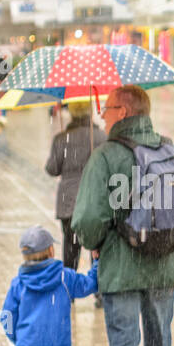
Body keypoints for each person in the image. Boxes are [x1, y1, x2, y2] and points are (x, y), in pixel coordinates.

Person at [71, 85, 174, 346]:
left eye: (107, 108)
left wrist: (96, 243)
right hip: (165, 262)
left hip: (121, 266)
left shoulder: (106, 155)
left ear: (123, 111)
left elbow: (88, 219)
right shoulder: (169, 147)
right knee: (160, 341)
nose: (102, 114)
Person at [45, 101, 107, 272]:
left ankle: (69, 292)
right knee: (97, 250)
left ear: (71, 113)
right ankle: (99, 292)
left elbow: (52, 169)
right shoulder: (101, 137)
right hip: (95, 203)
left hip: (69, 203)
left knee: (70, 251)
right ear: (91, 112)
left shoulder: (62, 138)